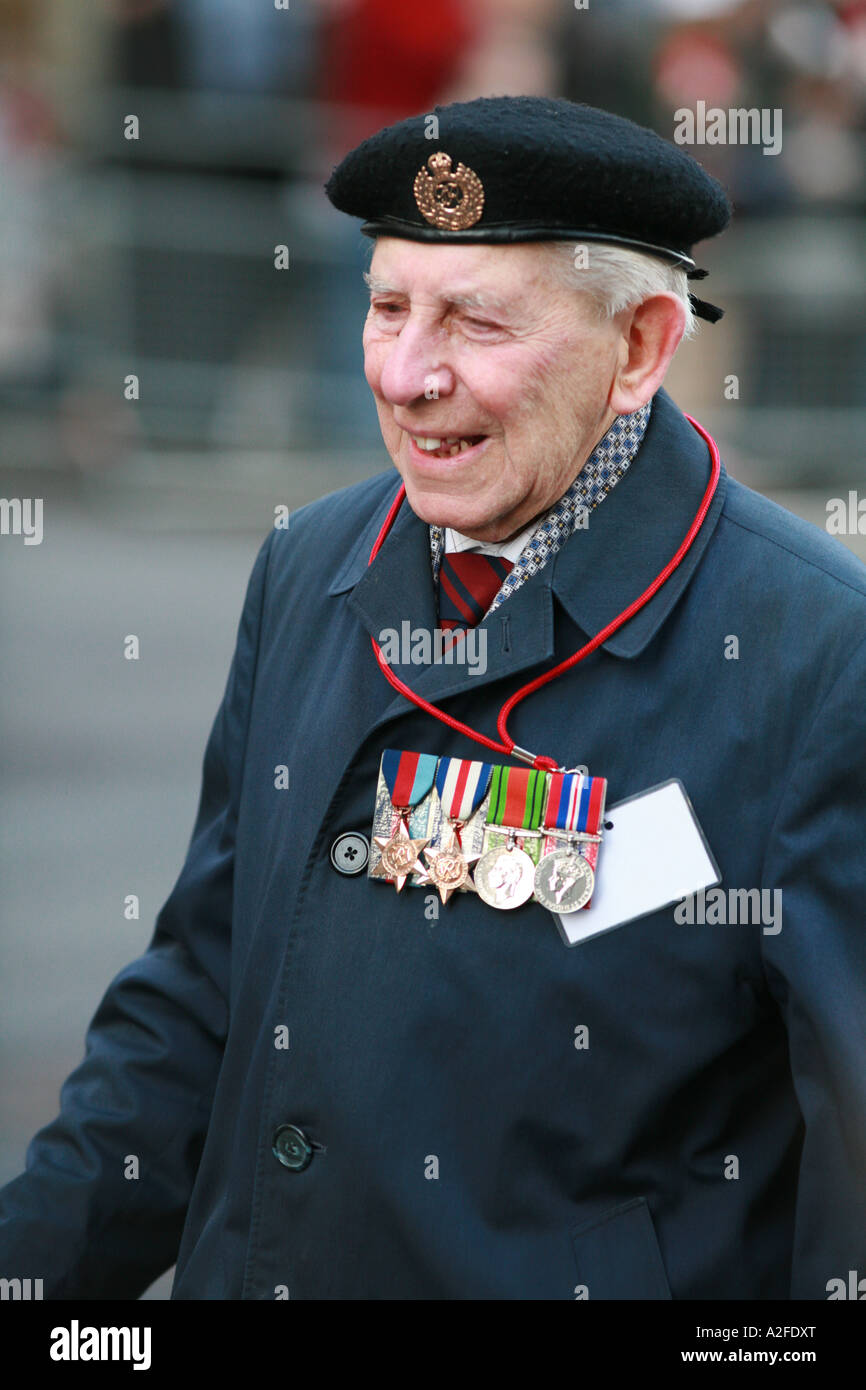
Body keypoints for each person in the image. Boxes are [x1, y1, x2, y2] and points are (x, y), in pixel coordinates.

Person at [1, 95, 865, 1301]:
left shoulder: (815, 653)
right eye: (386, 307)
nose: (405, 375)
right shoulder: (307, 563)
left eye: (474, 320)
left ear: (638, 347)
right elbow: (201, 999)